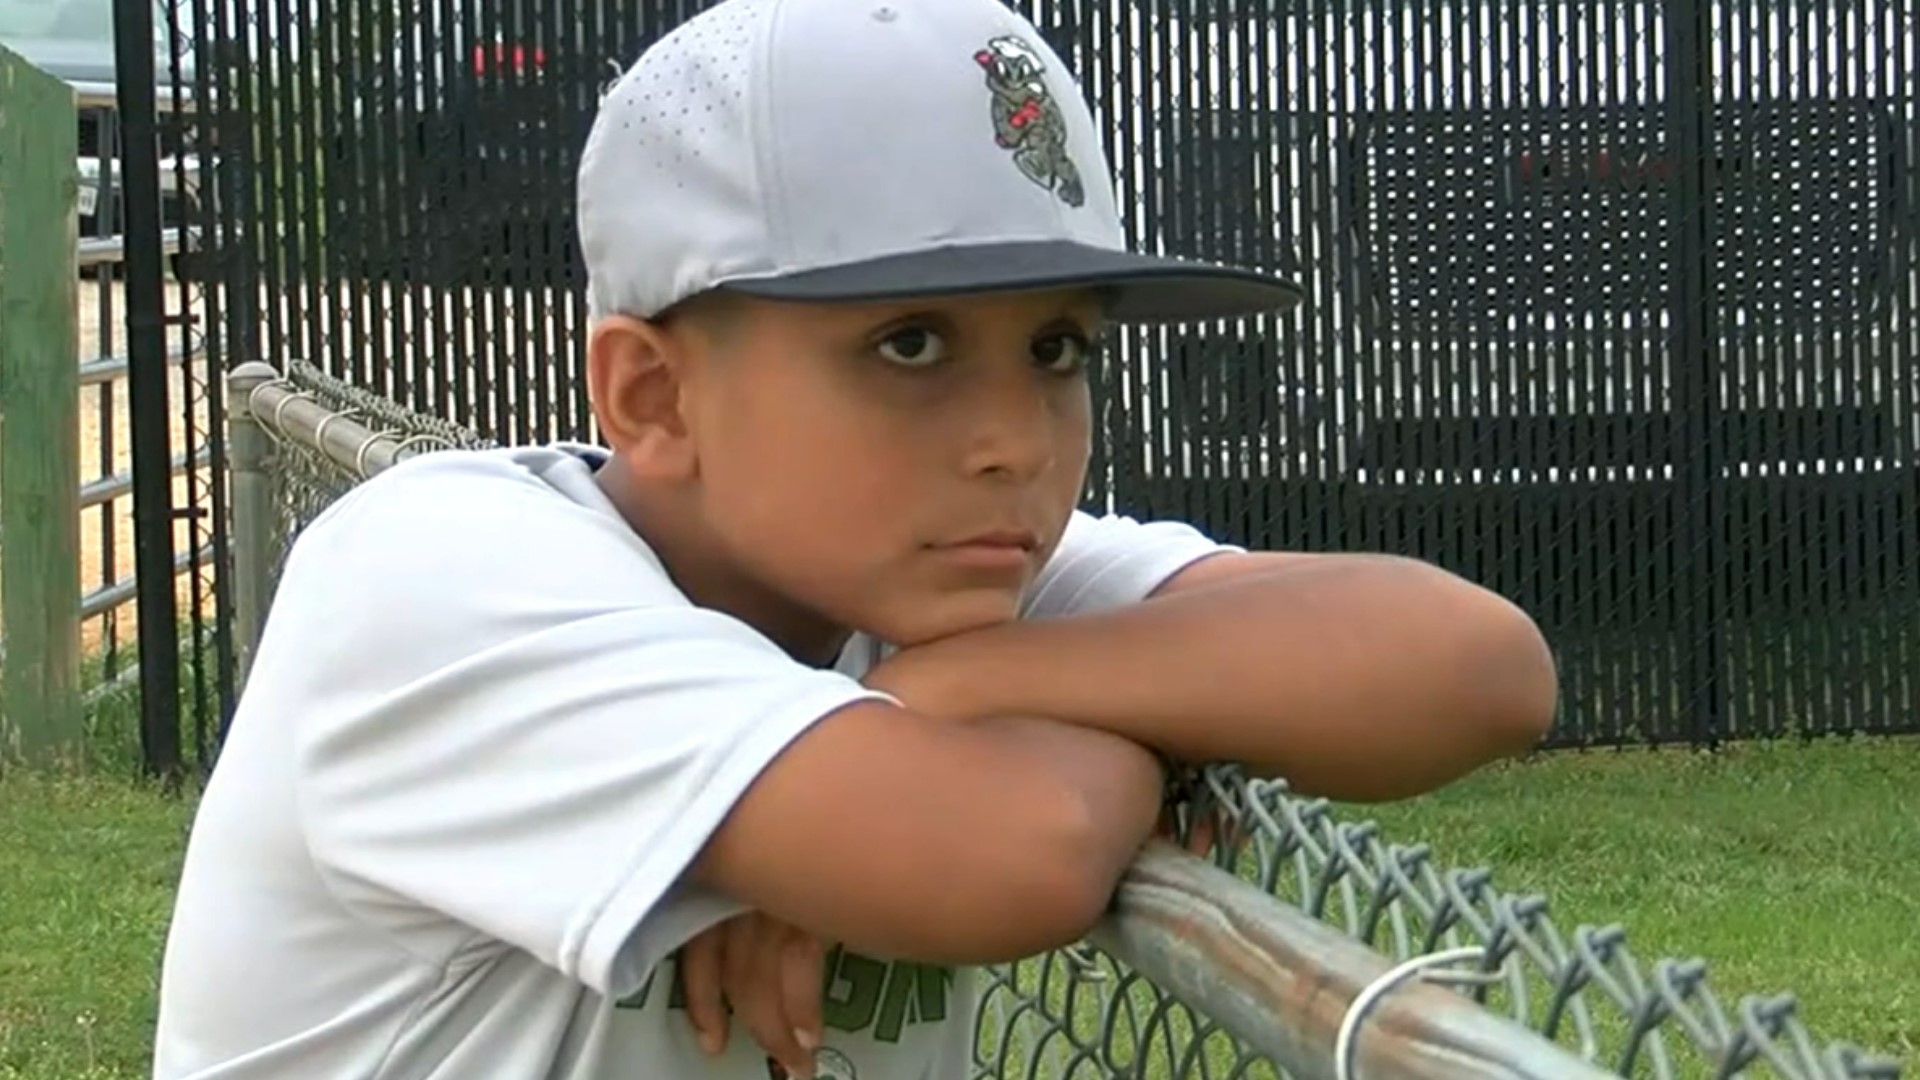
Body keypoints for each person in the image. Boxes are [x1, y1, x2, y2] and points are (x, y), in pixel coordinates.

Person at [150, 0, 1560, 1076]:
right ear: (654, 393)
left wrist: (945, 692)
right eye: (911, 342)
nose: (1015, 436)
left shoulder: (942, 589)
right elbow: (1007, 852)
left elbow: (1476, 667)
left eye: (1058, 347)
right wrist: (1080, 716)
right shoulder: (441, 576)